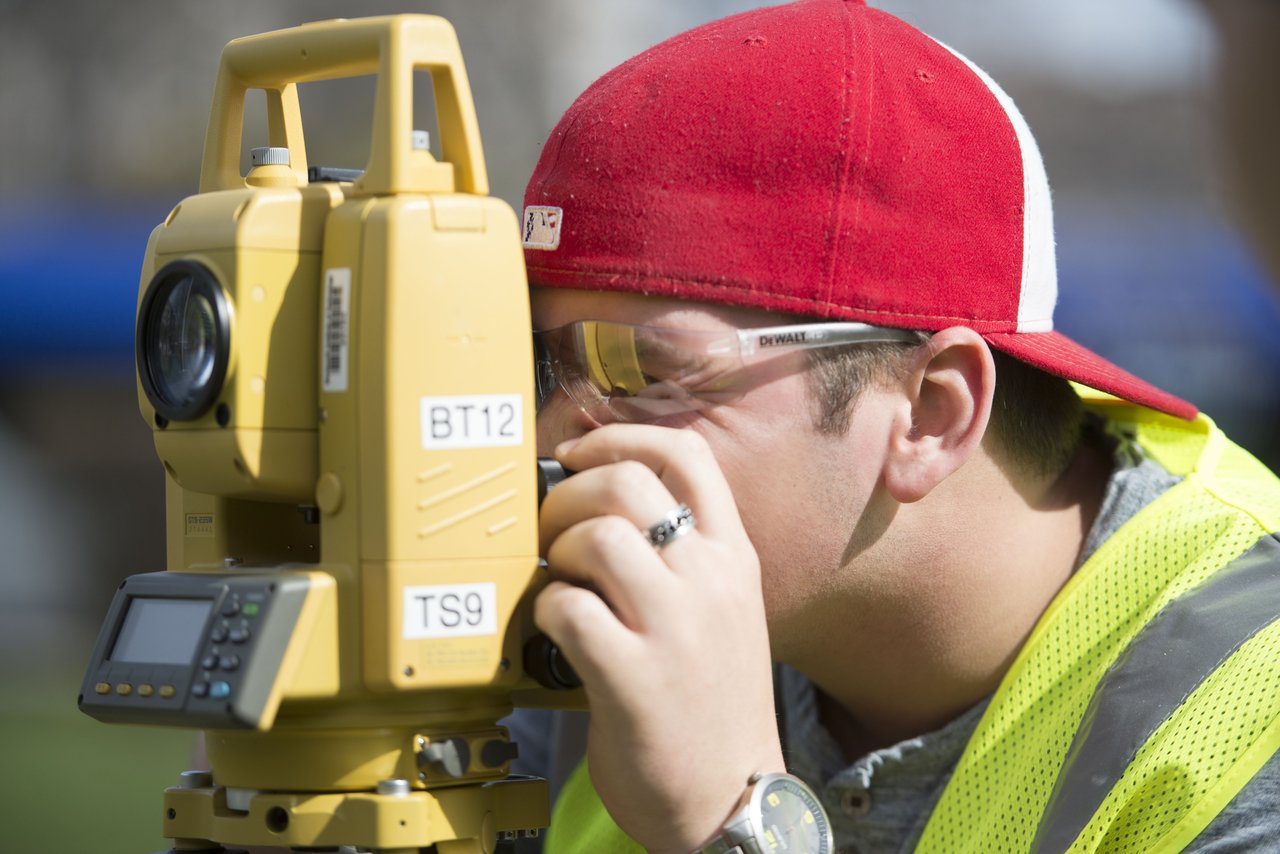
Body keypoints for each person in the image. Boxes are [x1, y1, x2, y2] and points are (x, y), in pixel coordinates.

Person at [517, 0, 1280, 851]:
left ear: (931, 413)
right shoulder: (577, 627)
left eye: (640, 374)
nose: (551, 443)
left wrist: (731, 821)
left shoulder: (1254, 710)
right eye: (536, 366)